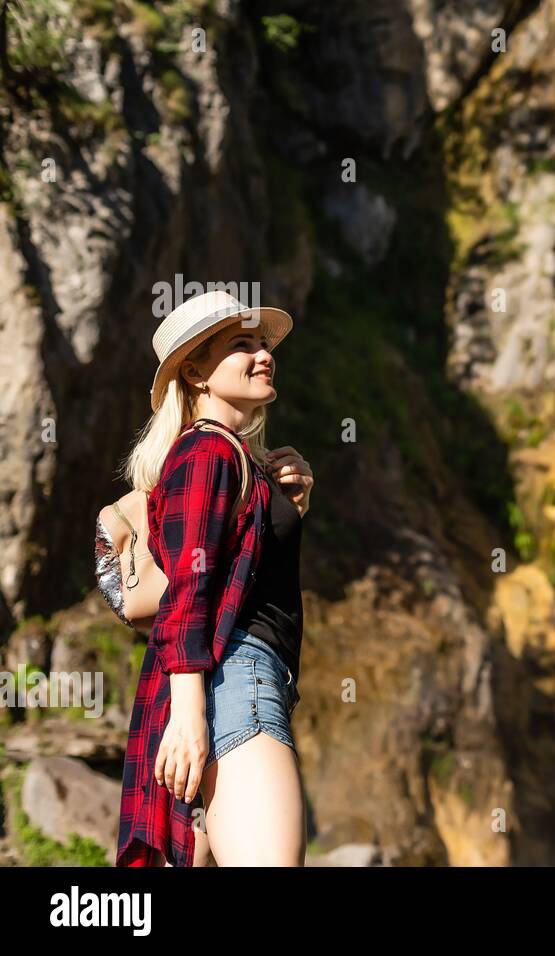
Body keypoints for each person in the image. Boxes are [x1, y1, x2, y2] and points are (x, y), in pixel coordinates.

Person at [114, 289, 315, 867]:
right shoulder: (206, 452)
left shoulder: (235, 458)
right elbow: (189, 592)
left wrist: (288, 509)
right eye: (241, 344)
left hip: (230, 684)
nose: (262, 354)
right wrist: (189, 715)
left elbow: (234, 574)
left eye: (263, 343)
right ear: (196, 371)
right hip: (235, 683)